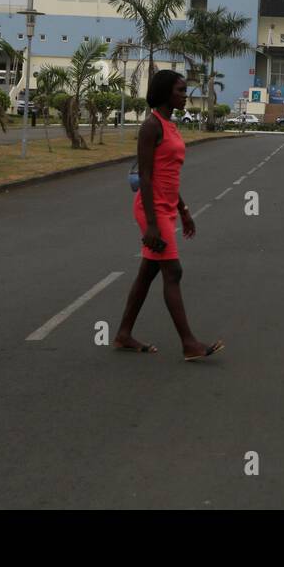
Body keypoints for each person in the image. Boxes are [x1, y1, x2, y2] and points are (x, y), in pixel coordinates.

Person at [114, 69, 224, 361]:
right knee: (173, 271)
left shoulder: (171, 126)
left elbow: (169, 177)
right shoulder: (151, 127)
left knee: (148, 272)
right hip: (151, 209)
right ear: (164, 92)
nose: (184, 95)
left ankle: (123, 334)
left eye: (184, 90)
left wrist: (184, 211)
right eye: (179, 90)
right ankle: (189, 343)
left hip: (166, 206)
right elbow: (147, 177)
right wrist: (151, 224)